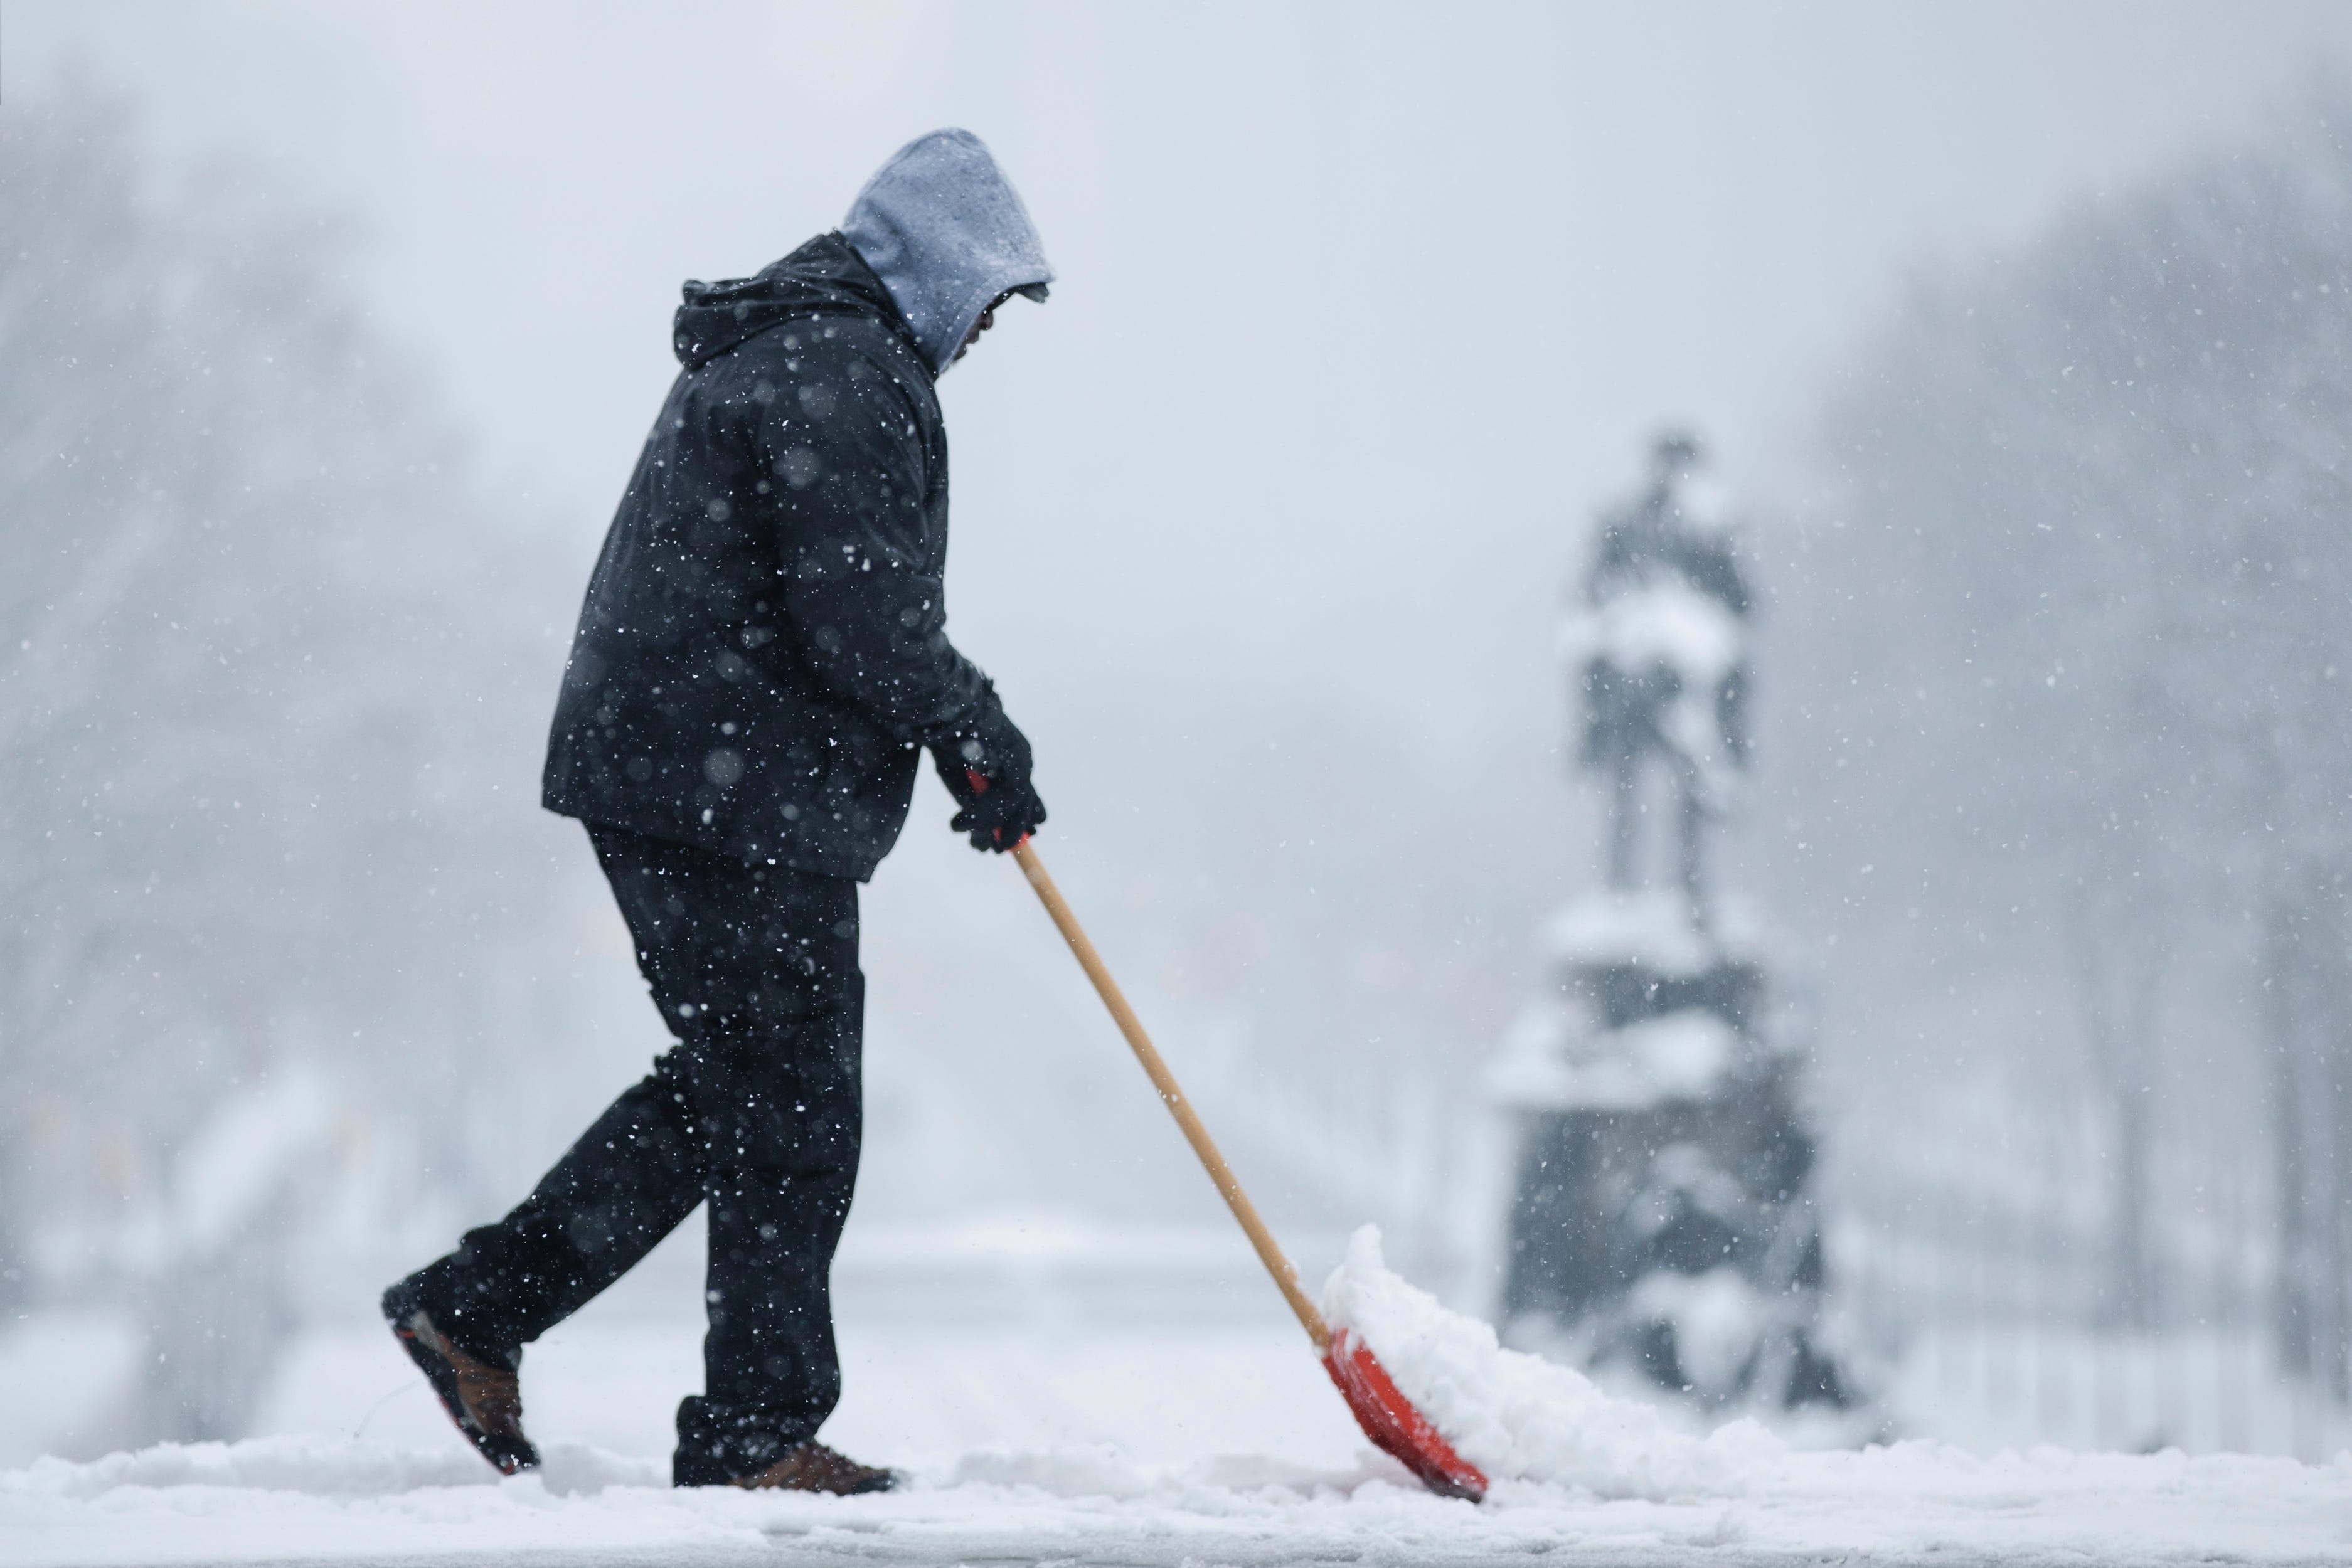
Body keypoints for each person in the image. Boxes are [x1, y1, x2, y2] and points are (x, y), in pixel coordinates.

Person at [380, 129, 1053, 1495]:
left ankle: (482, 1307)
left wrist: (954, 736)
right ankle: (753, 1431)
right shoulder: (846, 368)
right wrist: (973, 729)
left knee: (748, 1083)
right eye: (983, 303)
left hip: (688, 768)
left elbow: (845, 608)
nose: (981, 336)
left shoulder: (803, 345)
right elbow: (862, 612)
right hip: (724, 782)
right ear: (934, 268)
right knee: (793, 1099)